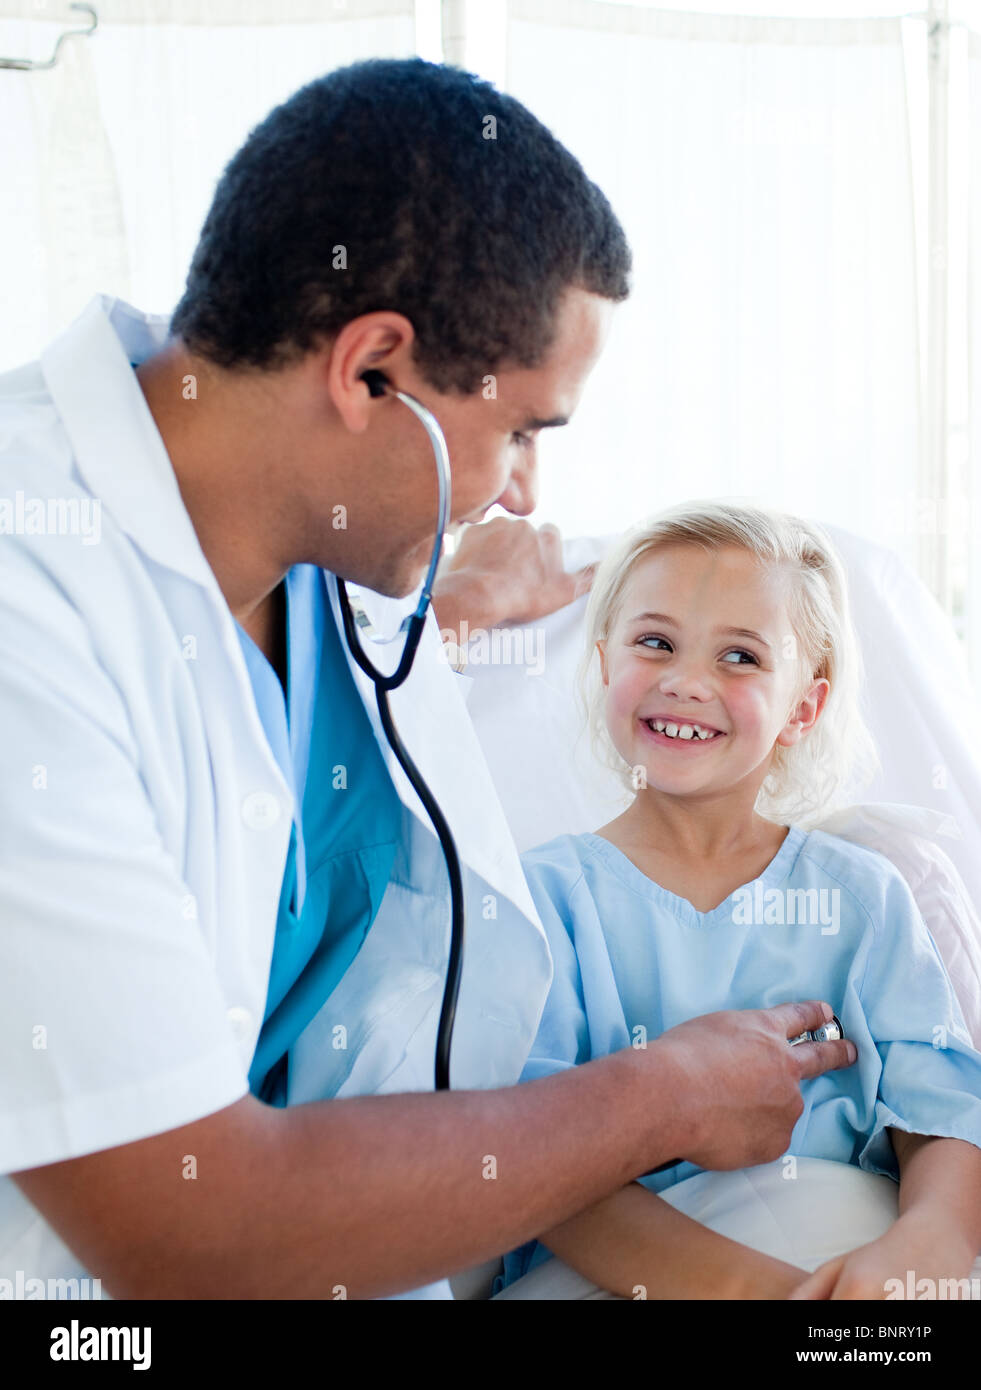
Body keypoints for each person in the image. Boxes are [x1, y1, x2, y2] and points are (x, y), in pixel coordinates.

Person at [0, 59, 854, 1301]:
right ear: (371, 373)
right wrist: (657, 1097)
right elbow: (192, 1228)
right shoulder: (30, 605)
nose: (522, 492)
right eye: (521, 433)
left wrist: (456, 605)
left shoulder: (306, 554)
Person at [496, 502, 981, 1299]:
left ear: (803, 708)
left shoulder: (862, 895)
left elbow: (945, 1111)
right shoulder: (540, 901)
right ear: (605, 663)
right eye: (654, 643)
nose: (686, 681)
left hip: (844, 1258)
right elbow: (540, 1168)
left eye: (739, 656)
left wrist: (927, 1242)